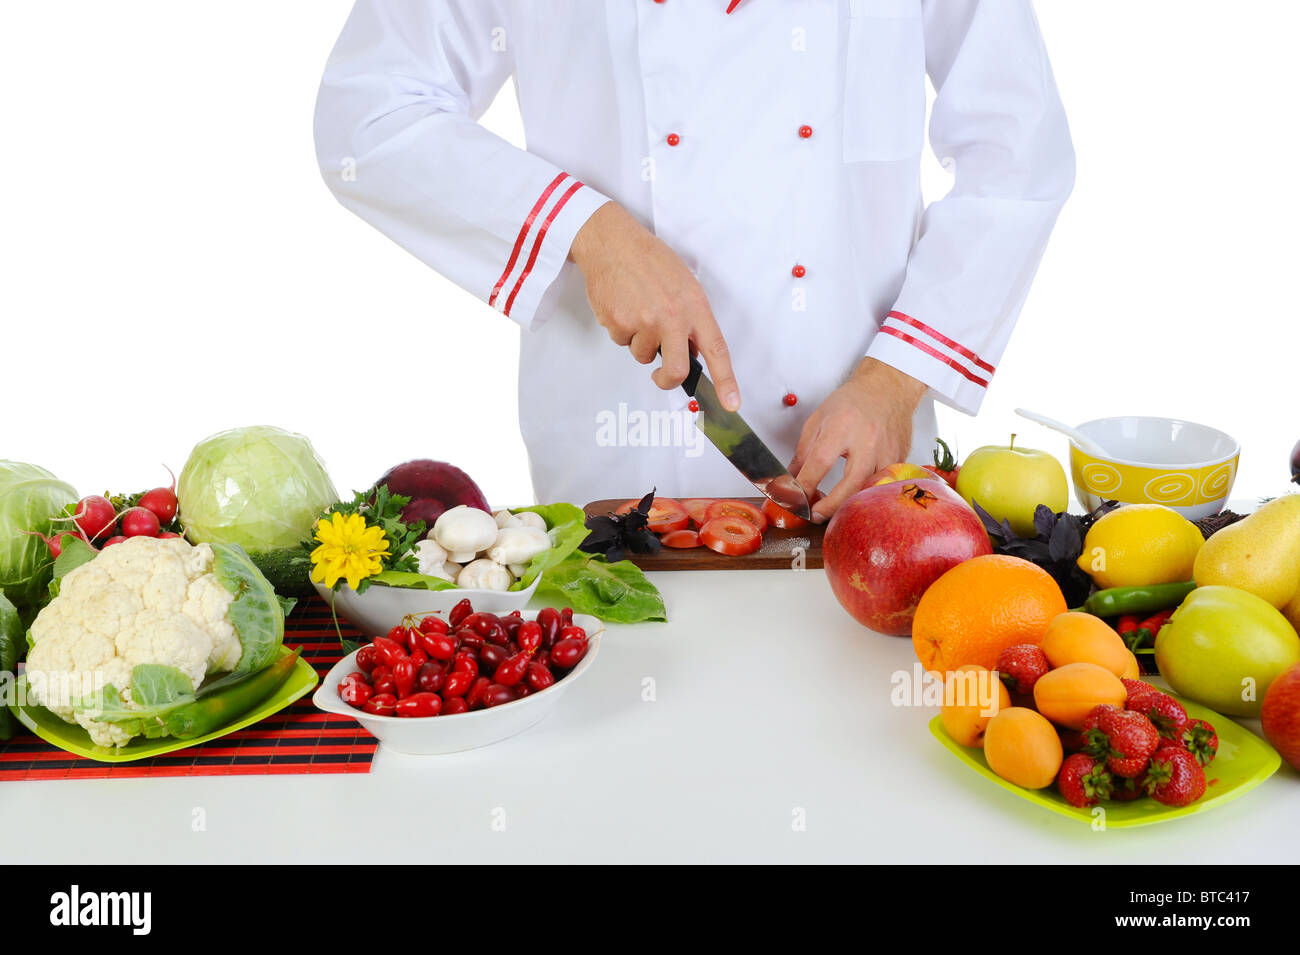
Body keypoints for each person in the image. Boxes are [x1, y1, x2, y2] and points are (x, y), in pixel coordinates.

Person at [314, 0, 1073, 519]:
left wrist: (895, 381)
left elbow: (1018, 154)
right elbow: (369, 115)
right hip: (619, 455)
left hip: (865, 459)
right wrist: (590, 230)